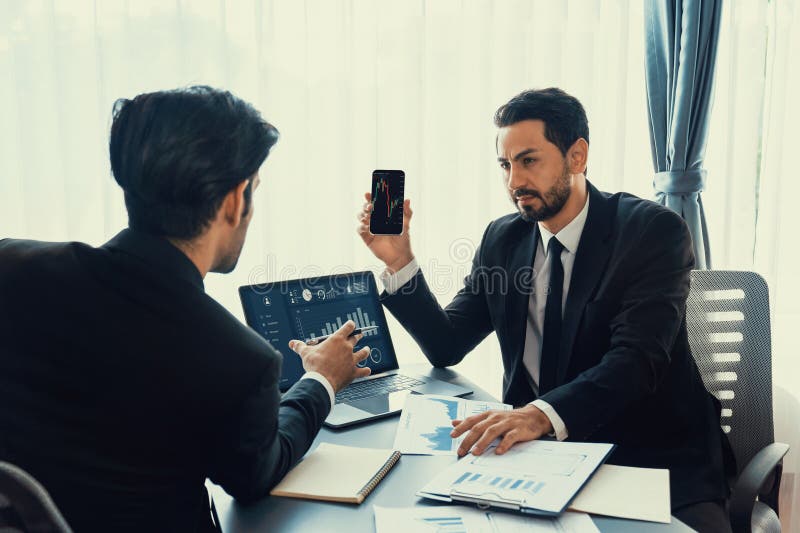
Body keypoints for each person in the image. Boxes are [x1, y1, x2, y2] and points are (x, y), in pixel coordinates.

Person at [357, 88, 734, 532]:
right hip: (537, 462)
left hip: (649, 458)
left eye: (529, 160)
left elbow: (636, 362)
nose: (514, 180)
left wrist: (536, 415)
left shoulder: (650, 232)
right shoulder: (504, 239)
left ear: (577, 156)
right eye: (505, 164)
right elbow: (447, 344)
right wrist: (399, 261)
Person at [0, 86, 370, 532]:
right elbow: (254, 475)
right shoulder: (236, 359)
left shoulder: (12, 267)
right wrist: (322, 380)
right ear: (236, 201)